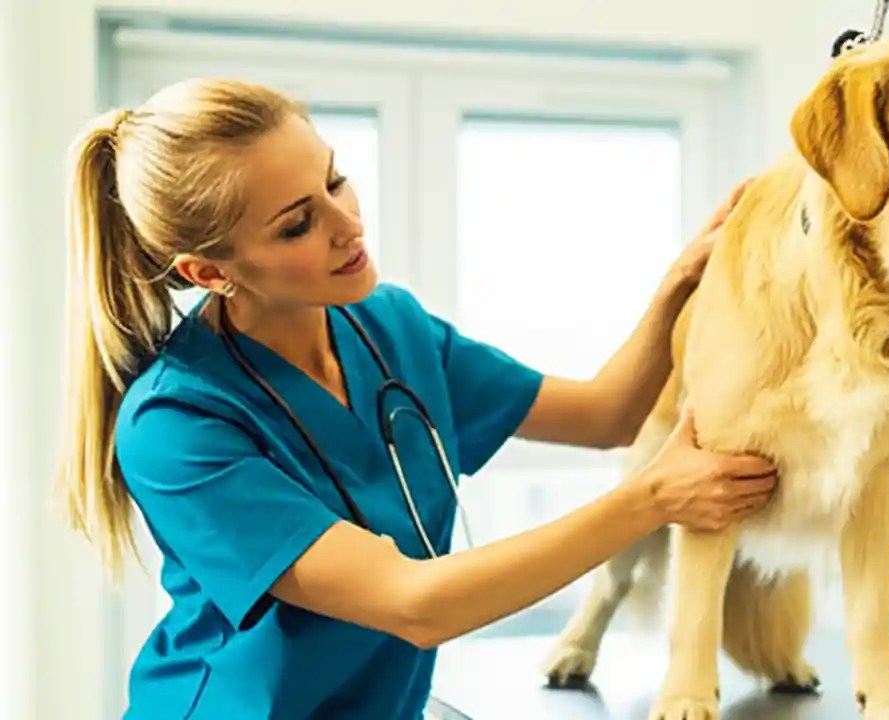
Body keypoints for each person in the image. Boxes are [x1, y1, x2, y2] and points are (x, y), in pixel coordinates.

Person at [56, 77, 775, 719]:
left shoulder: (388, 328)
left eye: (335, 182)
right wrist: (651, 500)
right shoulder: (175, 423)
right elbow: (415, 603)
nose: (348, 225)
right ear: (209, 271)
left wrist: (679, 283)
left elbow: (606, 416)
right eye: (298, 224)